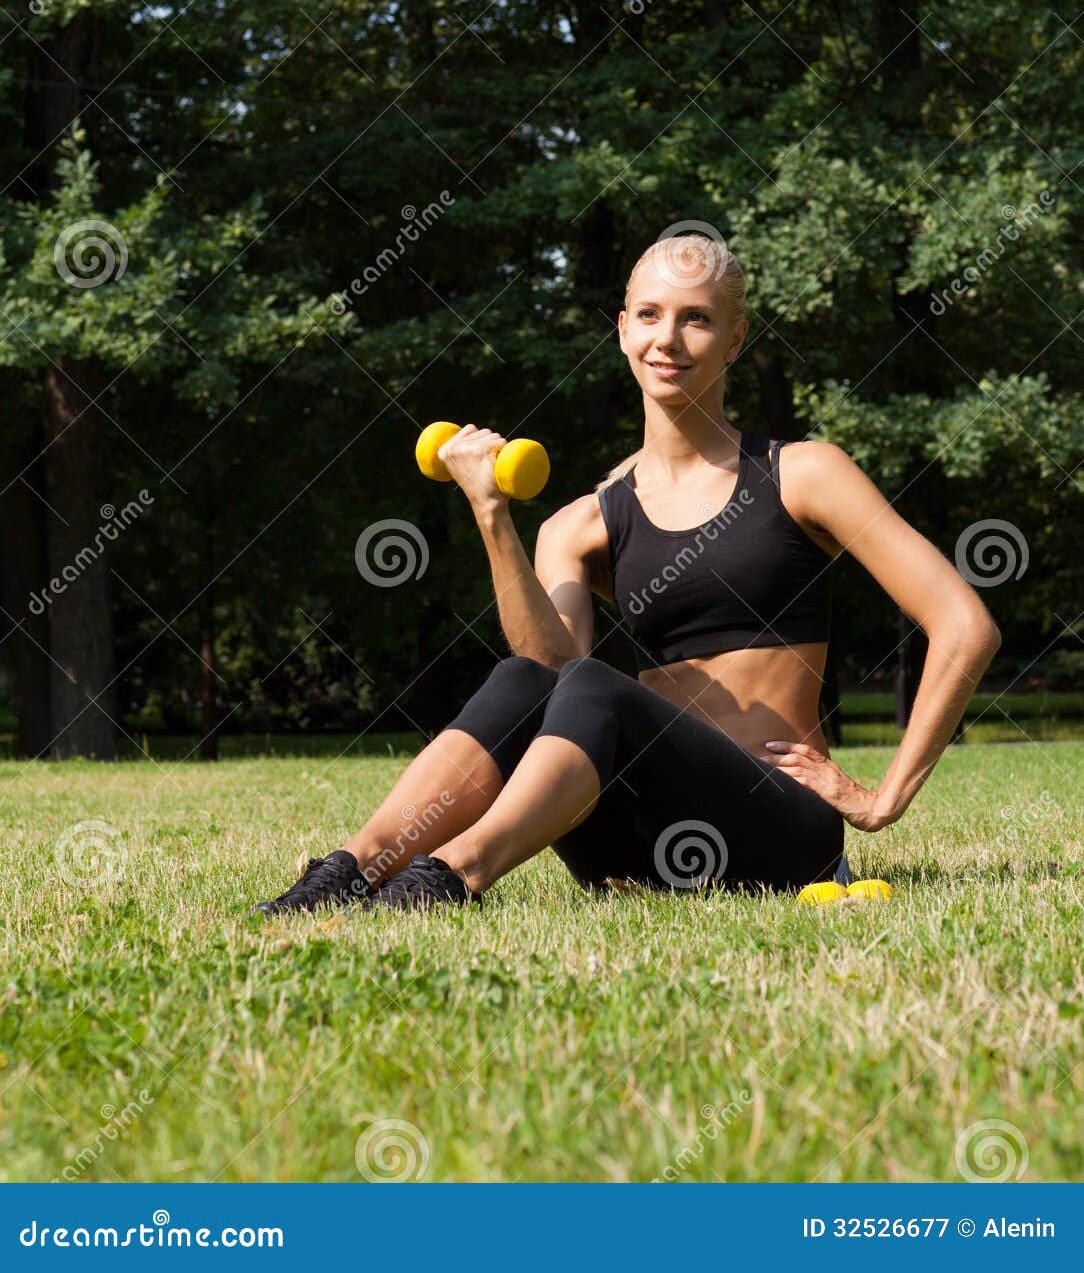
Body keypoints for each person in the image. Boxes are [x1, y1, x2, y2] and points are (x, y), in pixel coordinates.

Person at [255, 234, 1001, 916]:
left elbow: (965, 626)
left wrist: (881, 799)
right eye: (649, 315)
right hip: (627, 843)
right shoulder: (579, 524)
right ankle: (350, 872)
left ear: (735, 339)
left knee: (594, 682)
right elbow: (546, 675)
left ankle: (447, 876)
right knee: (530, 680)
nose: (667, 339)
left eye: (696, 320)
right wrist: (492, 518)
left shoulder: (802, 474)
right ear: (622, 331)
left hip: (776, 827)